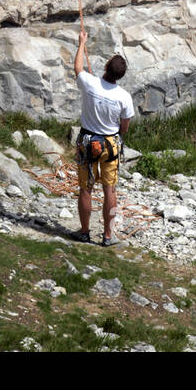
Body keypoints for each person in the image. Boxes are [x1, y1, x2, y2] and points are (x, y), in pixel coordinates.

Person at [72, 31, 134, 246]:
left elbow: (77, 68)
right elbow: (124, 127)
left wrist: (82, 43)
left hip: (87, 141)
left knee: (86, 189)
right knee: (110, 190)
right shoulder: (124, 97)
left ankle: (85, 231)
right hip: (110, 144)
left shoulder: (90, 83)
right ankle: (108, 235)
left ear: (106, 67)